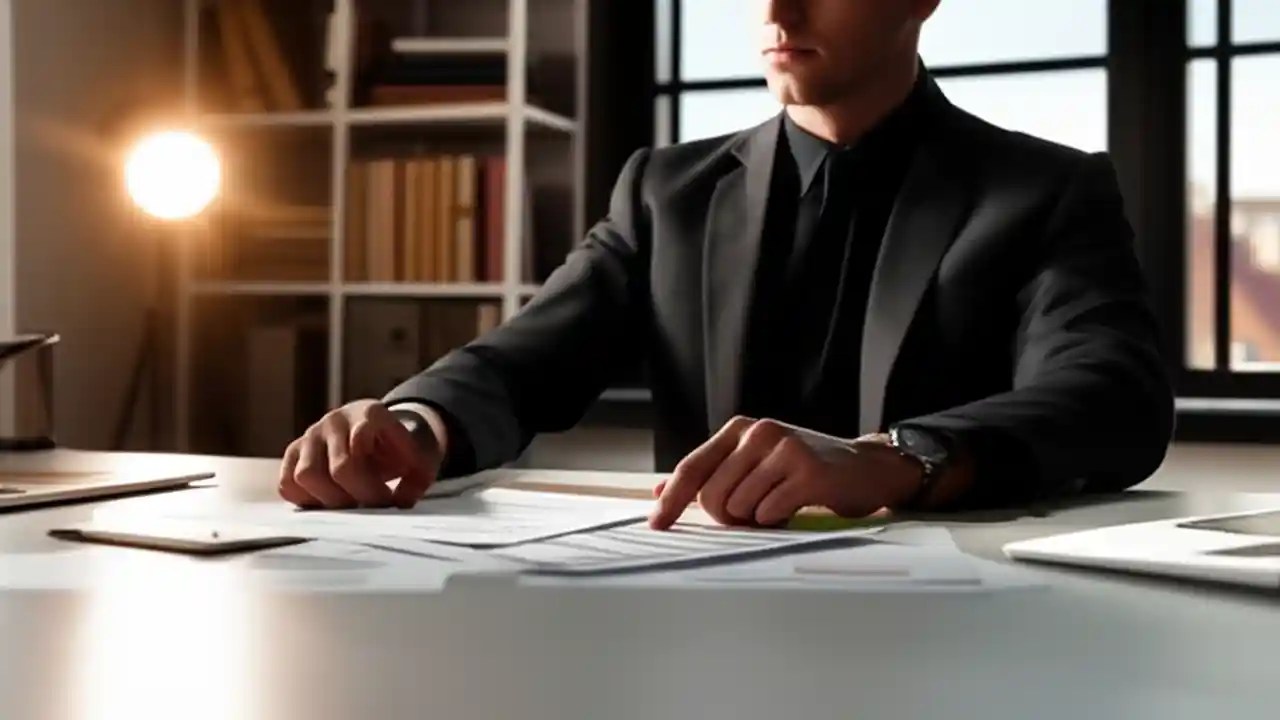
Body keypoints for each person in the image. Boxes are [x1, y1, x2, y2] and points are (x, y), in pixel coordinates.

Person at [277, 0, 1174, 529]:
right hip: (697, 607)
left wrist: (893, 459)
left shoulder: (1044, 189)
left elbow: (1114, 398)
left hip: (964, 624)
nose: (779, 11)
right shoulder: (666, 190)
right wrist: (416, 422)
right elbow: (529, 357)